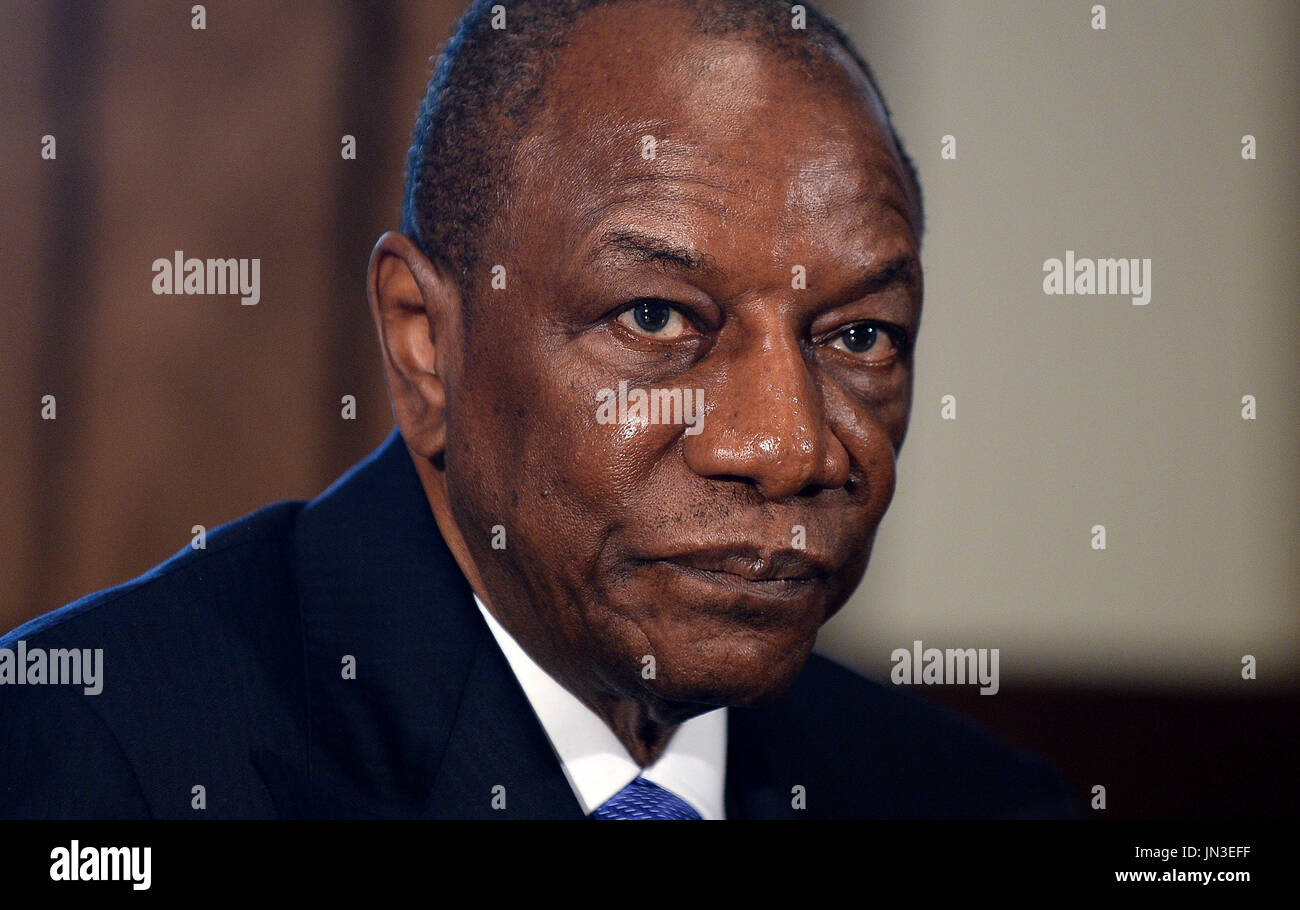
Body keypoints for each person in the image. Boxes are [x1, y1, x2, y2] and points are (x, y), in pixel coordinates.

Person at [0, 0, 1080, 819]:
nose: (786, 447)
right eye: (657, 317)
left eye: (858, 336)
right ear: (425, 343)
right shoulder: (102, 755)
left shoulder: (971, 800)